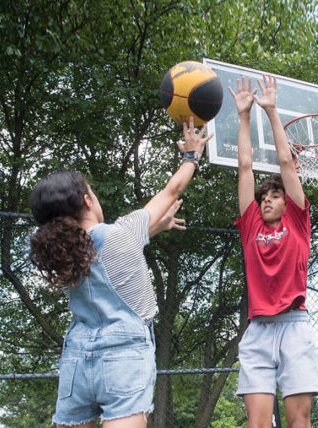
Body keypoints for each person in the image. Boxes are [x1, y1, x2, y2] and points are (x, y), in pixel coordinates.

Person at [28, 118, 212, 428]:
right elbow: (173, 190)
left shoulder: (60, 253)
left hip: (76, 357)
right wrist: (191, 155)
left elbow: (102, 251)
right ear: (89, 200)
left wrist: (155, 226)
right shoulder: (121, 233)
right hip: (124, 356)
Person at [228, 74, 318, 428]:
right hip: (259, 330)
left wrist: (271, 110)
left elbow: (285, 163)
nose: (266, 201)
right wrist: (244, 116)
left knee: (299, 422)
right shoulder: (251, 224)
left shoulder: (297, 220)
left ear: (288, 201)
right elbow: (246, 166)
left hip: (295, 324)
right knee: (258, 425)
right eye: (263, 198)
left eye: (274, 196)